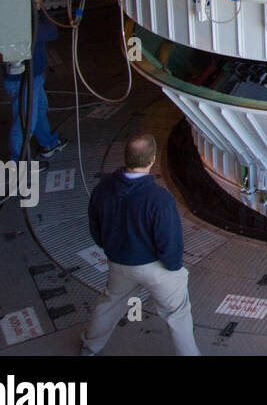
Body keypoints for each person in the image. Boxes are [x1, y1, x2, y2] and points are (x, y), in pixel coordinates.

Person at [81, 134, 199, 355]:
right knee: (177, 314)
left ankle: (90, 346)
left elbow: (95, 228)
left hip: (119, 263)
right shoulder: (159, 198)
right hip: (156, 268)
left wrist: (111, 248)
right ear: (152, 159)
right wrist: (173, 268)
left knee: (109, 305)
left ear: (126, 158)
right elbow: (170, 241)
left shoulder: (103, 188)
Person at [3, 8, 66, 162]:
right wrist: (43, 10)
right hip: (23, 80)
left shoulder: (18, 17)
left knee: (39, 110)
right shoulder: (21, 23)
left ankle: (48, 143)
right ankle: (19, 163)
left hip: (32, 76)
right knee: (25, 122)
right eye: (36, 3)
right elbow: (51, 31)